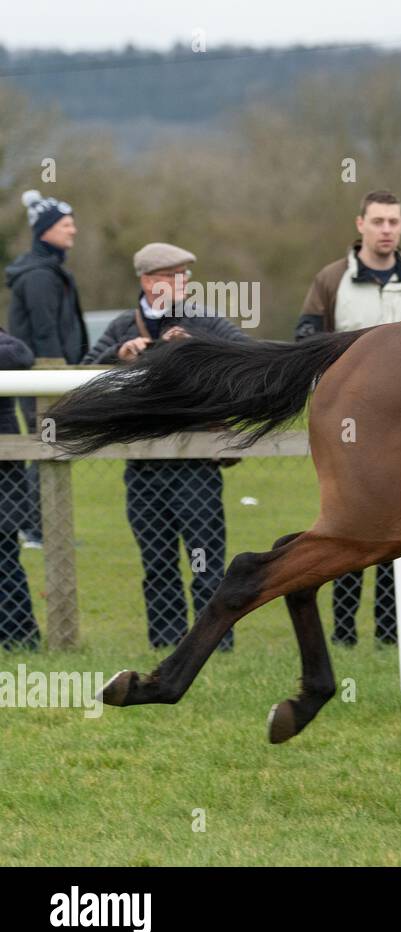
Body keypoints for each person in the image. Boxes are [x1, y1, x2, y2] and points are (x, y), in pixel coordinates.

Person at [83, 242, 250, 650]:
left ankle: (215, 645)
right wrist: (118, 353)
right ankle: (165, 645)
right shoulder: (125, 324)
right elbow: (84, 370)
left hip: (196, 459)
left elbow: (247, 353)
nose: (182, 285)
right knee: (156, 562)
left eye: (184, 277)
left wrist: (194, 343)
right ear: (147, 281)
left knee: (206, 559)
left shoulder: (204, 320)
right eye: (173, 277)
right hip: (142, 462)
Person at [295, 189, 401, 646]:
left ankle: (390, 635)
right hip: (352, 425)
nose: (386, 230)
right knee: (349, 526)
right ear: (360, 224)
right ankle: (343, 633)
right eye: (378, 221)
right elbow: (305, 341)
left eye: (394, 222)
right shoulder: (331, 280)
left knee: (400, 528)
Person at [4, 190, 87, 548]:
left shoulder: (50, 272)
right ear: (46, 231)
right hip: (42, 380)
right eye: (66, 224)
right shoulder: (39, 276)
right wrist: (59, 383)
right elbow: (44, 333)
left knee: (49, 448)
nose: (73, 231)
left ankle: (38, 529)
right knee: (44, 449)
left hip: (49, 379)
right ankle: (35, 530)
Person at [0, 326, 39, 651]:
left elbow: (19, 354)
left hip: (4, 466)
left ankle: (19, 638)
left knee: (3, 556)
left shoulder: (8, 346)